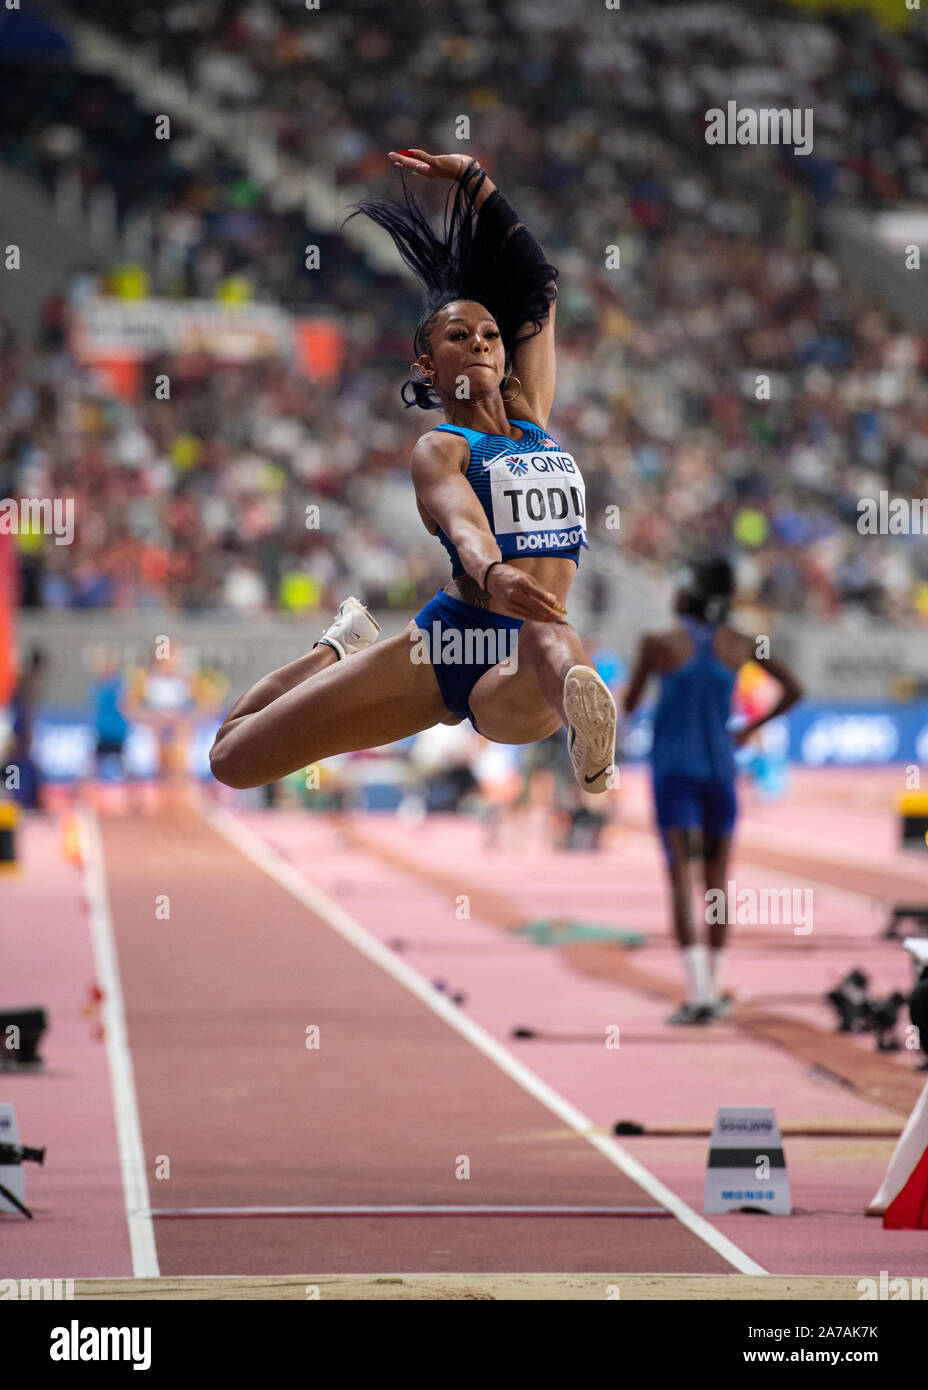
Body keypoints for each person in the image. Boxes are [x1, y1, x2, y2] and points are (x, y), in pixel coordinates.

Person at [210, 151, 616, 796]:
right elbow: (463, 522)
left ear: (506, 351)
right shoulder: (441, 447)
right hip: (449, 641)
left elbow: (540, 284)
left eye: (489, 333)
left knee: (550, 636)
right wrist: (493, 571)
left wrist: (476, 182)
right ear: (427, 366)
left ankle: (590, 735)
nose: (479, 341)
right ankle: (336, 648)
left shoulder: (532, 415)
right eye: (458, 336)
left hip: (530, 654)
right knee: (232, 760)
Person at [623, 558, 803, 1024]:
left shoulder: (658, 643)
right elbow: (795, 689)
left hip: (674, 772)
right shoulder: (742, 642)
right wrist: (748, 729)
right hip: (721, 771)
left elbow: (630, 702)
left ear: (685, 595)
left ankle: (698, 993)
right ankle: (716, 990)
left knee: (680, 881)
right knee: (718, 883)